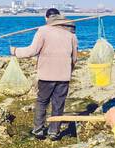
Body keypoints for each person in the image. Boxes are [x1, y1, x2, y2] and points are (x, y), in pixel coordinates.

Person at [11, 8, 78, 139]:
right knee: (58, 104)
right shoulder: (71, 34)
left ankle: (38, 130)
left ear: (46, 18)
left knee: (42, 102)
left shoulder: (43, 31)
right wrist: (69, 70)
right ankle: (54, 132)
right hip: (64, 75)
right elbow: (74, 58)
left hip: (47, 74)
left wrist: (15, 51)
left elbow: (32, 51)